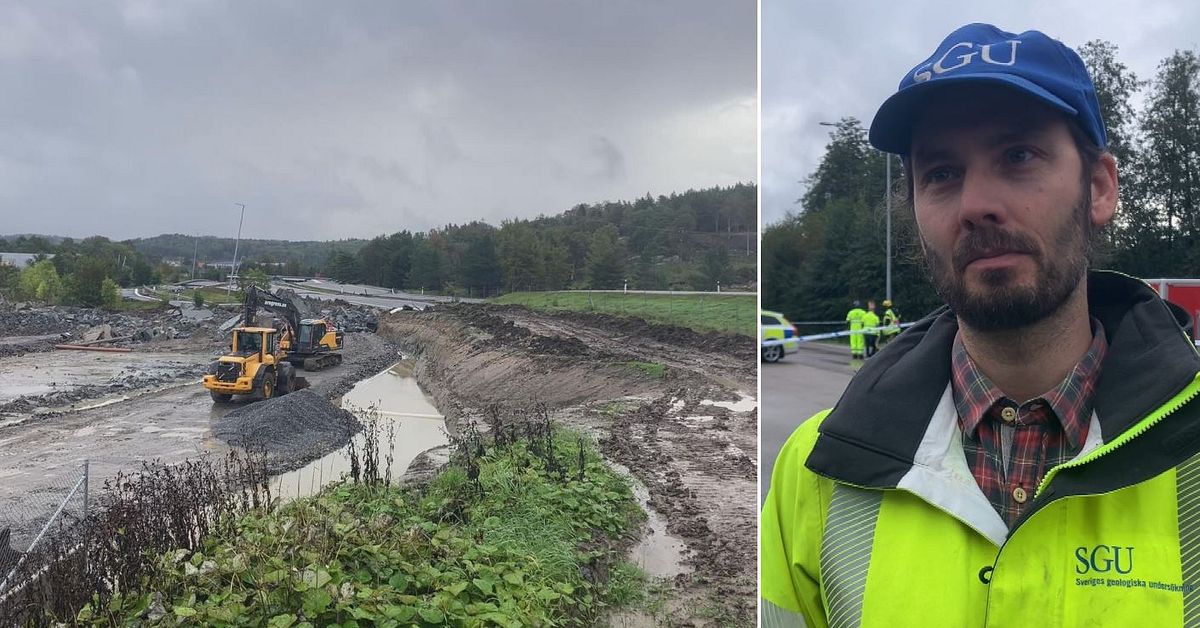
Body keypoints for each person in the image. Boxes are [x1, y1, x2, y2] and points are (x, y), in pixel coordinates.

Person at [761, 23, 1200, 626]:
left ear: (1098, 188)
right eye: (941, 173)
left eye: (1018, 155)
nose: (974, 205)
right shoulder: (814, 470)